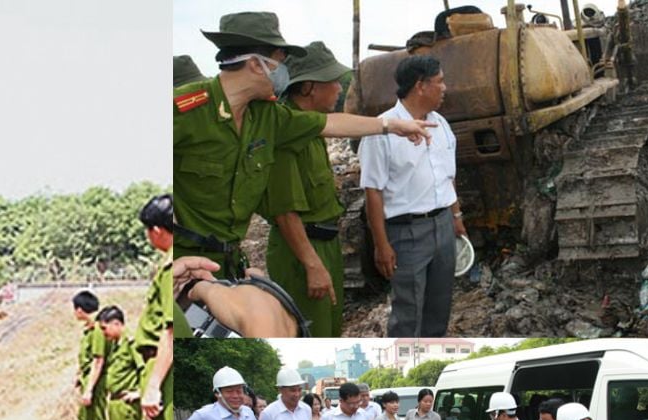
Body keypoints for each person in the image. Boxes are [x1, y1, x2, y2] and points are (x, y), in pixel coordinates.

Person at [174, 11, 436, 279]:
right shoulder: (184, 109)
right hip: (181, 265)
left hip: (225, 262)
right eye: (279, 63)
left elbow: (328, 123)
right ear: (255, 64)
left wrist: (392, 126)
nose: (283, 73)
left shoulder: (266, 115)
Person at [358, 55, 465, 337]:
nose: (445, 88)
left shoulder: (440, 124)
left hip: (442, 226)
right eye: (439, 82)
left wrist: (456, 216)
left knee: (439, 307)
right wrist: (381, 245)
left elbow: (446, 177)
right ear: (420, 85)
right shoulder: (382, 129)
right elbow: (373, 192)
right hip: (407, 233)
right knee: (408, 312)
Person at [258, 41, 351, 337]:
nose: (339, 88)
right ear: (310, 87)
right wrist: (312, 264)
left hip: (324, 243)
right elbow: (285, 212)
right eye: (333, 82)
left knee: (331, 327)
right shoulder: (286, 134)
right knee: (312, 332)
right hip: (301, 251)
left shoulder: (310, 129)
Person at [127, 195, 175, 420]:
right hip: (157, 366)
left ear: (157, 231)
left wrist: (153, 384)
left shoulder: (169, 269)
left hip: (162, 368)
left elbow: (167, 333)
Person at [98, 305, 143, 420]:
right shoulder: (114, 347)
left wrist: (139, 392)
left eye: (105, 328)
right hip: (114, 401)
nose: (103, 333)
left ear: (117, 324)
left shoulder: (131, 344)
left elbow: (144, 369)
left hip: (127, 402)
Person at [72, 290, 110, 420]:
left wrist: (89, 389)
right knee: (86, 418)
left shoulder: (97, 330)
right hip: (88, 378)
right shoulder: (89, 330)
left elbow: (98, 360)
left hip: (95, 381)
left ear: (80, 310)